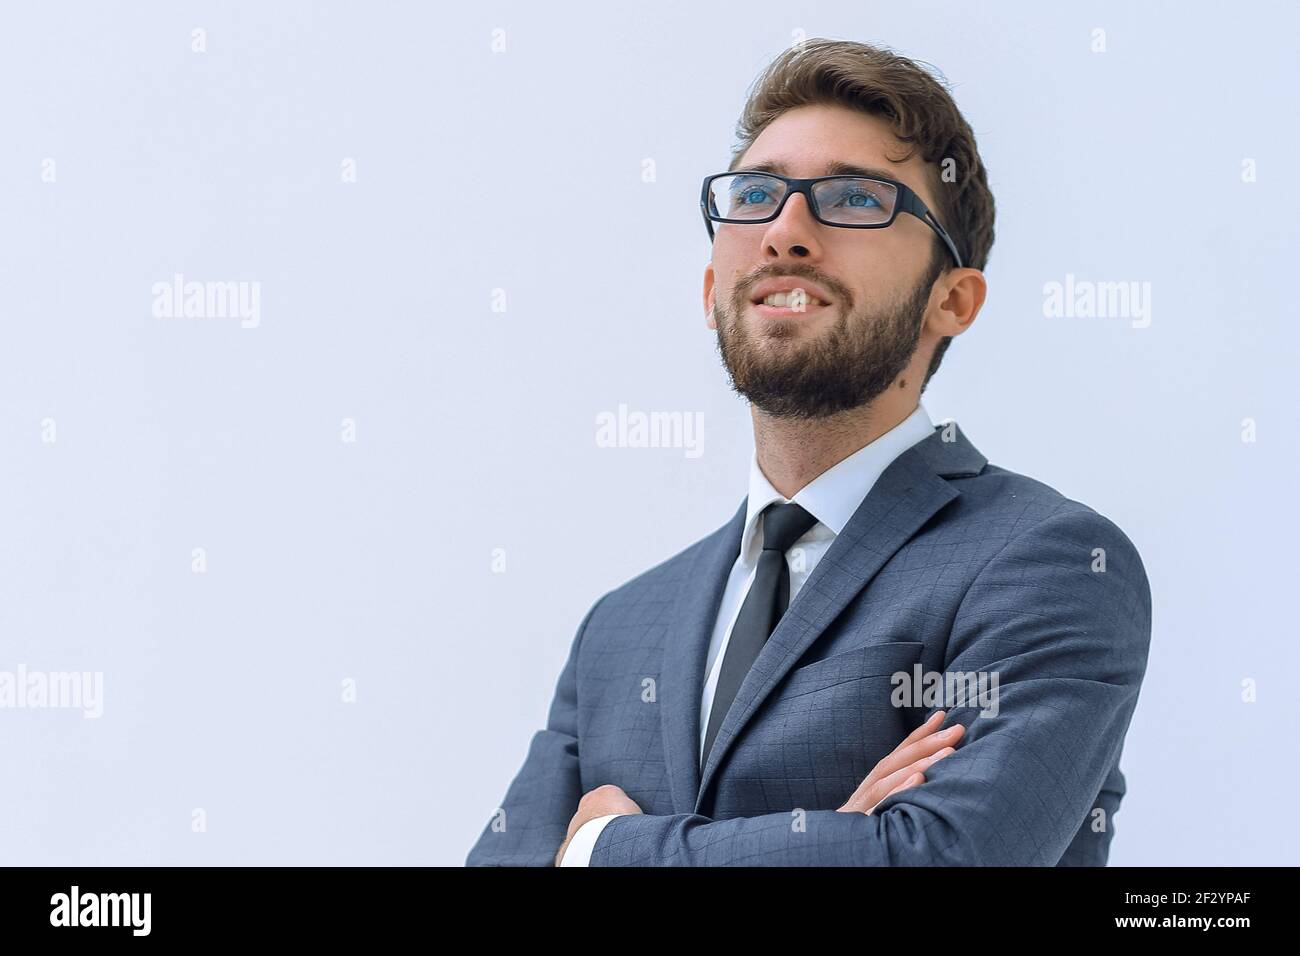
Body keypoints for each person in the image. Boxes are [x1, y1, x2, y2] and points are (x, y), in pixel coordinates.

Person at [466, 38, 1151, 867]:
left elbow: (939, 860)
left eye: (856, 200)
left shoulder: (1051, 564)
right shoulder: (620, 628)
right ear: (712, 288)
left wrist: (600, 848)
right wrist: (844, 836)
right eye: (755, 195)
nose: (786, 231)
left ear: (953, 299)